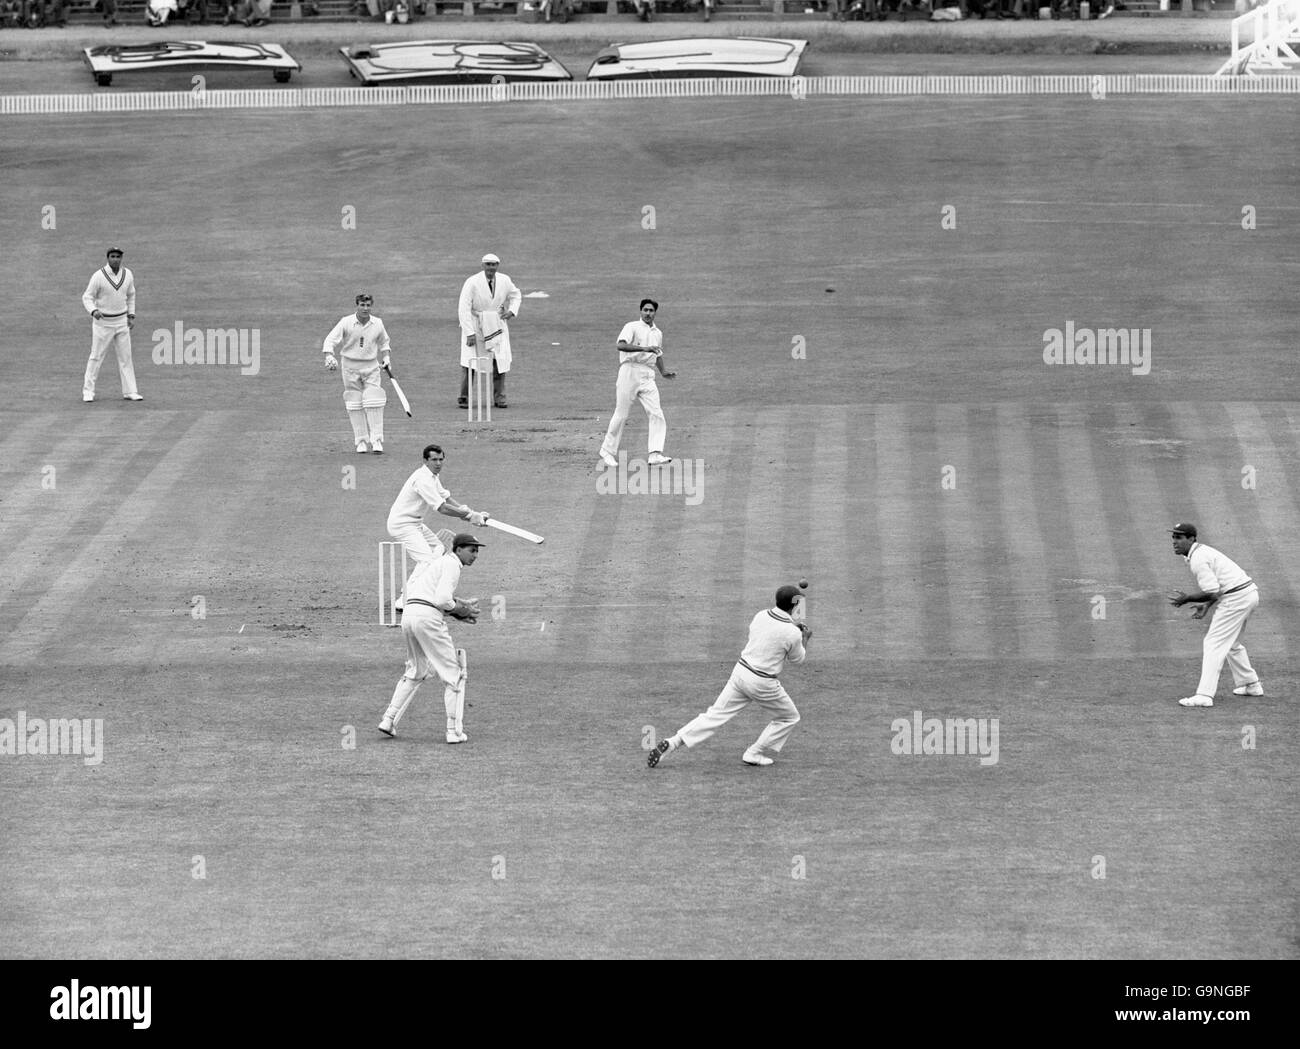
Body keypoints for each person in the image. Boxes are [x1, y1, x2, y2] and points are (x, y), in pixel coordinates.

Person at [648, 585, 811, 769]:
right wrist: (804, 638)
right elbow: (797, 660)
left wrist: (793, 628)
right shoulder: (792, 632)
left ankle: (673, 742)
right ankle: (754, 753)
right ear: (793, 606)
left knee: (714, 715)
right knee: (789, 717)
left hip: (740, 673)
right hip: (762, 682)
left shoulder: (761, 615)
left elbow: (769, 633)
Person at [378, 533, 485, 743]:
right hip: (427, 619)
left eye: (477, 551)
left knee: (416, 670)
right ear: (459, 550)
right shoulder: (453, 564)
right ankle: (453, 732)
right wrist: (460, 610)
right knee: (454, 674)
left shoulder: (437, 564)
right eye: (472, 550)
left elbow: (431, 597)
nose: (475, 555)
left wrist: (456, 609)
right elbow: (443, 599)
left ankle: (388, 720)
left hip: (409, 616)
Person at [1166, 523, 1263, 708]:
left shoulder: (1198, 559)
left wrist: (1187, 599)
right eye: (1173, 537)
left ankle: (1204, 695)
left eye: (1179, 538)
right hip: (1247, 594)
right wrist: (1207, 605)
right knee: (1232, 643)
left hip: (1237, 599)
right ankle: (1251, 684)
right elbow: (1217, 590)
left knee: (1213, 644)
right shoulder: (1200, 553)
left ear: (1192, 538)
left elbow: (1212, 590)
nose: (1174, 542)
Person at [386, 444, 491, 615]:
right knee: (426, 560)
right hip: (402, 524)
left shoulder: (433, 476)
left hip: (416, 523)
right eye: (434, 460)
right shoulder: (423, 479)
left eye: (441, 459)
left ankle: (424, 591)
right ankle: (405, 600)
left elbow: (446, 497)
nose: (438, 463)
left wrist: (472, 513)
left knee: (439, 548)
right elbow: (441, 508)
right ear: (425, 461)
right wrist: (469, 516)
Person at [598, 298, 676, 468]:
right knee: (622, 414)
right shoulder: (631, 326)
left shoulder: (657, 333)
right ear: (640, 311)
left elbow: (658, 354)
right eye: (645, 310)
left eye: (651, 310)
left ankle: (655, 454)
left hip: (648, 375)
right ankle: (607, 451)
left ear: (655, 312)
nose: (648, 313)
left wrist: (663, 372)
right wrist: (644, 349)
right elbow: (620, 346)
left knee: (656, 413)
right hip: (629, 371)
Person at [322, 293, 392, 454]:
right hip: (350, 368)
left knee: (374, 402)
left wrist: (387, 357)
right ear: (357, 305)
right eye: (362, 305)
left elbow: (384, 343)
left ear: (371, 306)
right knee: (354, 403)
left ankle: (377, 440)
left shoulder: (378, 323)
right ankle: (361, 441)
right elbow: (330, 340)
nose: (365, 308)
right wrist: (329, 355)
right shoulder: (346, 322)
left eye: (368, 305)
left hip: (371, 367)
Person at [458, 252, 521, 410]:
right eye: (488, 264)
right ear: (482, 265)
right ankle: (464, 397)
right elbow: (463, 308)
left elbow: (516, 295)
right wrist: (469, 332)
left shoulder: (505, 280)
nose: (491, 268)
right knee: (470, 362)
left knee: (499, 359)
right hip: (476, 324)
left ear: (497, 266)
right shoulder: (472, 282)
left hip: (497, 324)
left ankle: (500, 397)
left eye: (493, 265)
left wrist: (512, 311)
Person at [82, 248, 142, 403]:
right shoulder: (98, 276)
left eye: (118, 257)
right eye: (112, 257)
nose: (115, 259)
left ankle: (130, 391)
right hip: (103, 323)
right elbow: (87, 297)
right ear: (107, 258)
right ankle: (88, 392)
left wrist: (131, 315)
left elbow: (131, 295)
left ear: (121, 258)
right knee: (96, 357)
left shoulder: (127, 274)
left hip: (122, 322)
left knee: (126, 357)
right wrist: (93, 311)